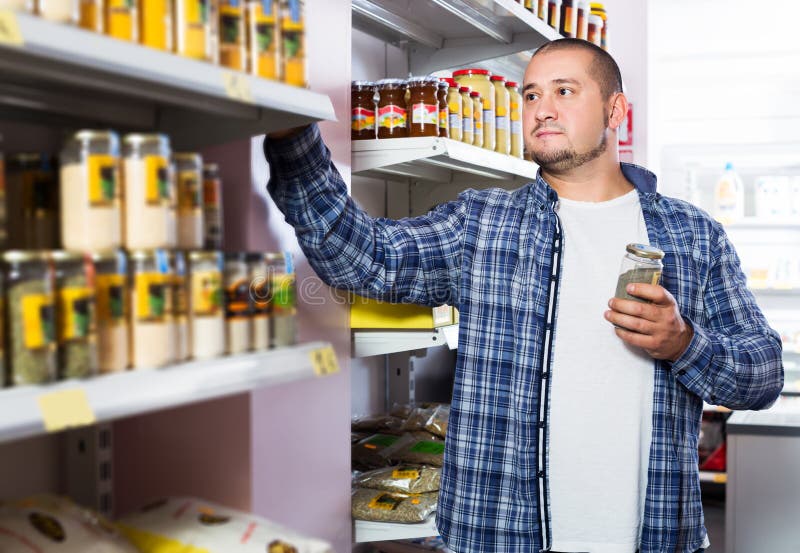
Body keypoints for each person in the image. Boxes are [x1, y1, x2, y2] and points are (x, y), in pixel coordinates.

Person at [263, 39, 783, 553]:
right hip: (501, 534)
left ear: (615, 110)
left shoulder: (692, 234)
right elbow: (361, 258)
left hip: (652, 536)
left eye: (565, 90)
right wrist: (294, 136)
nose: (543, 110)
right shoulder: (483, 223)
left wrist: (684, 343)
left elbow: (762, 375)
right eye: (531, 95)